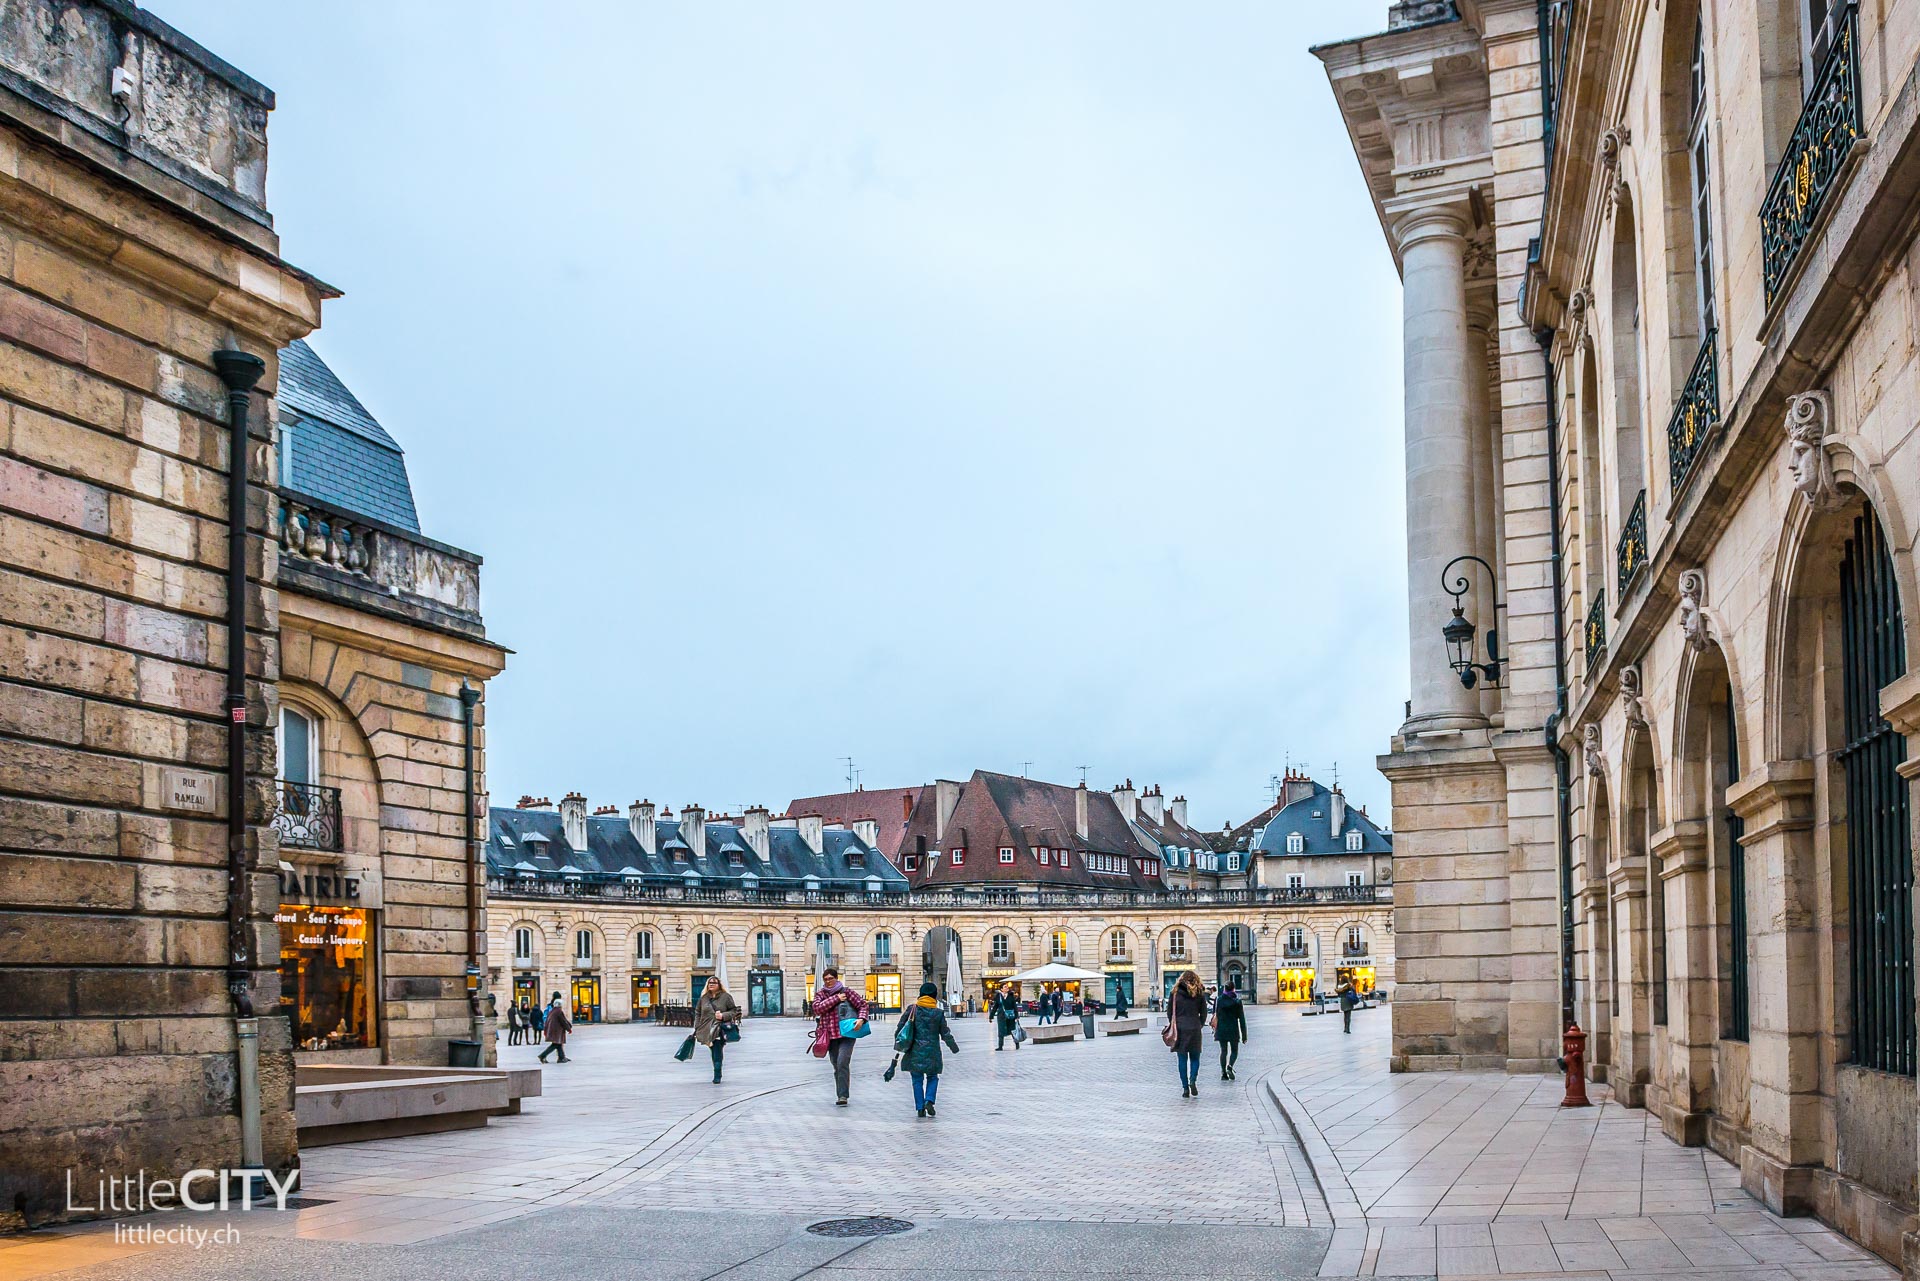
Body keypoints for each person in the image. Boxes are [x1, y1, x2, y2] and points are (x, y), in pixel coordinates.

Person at [896, 981, 961, 1118]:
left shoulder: (912, 1009)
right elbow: (945, 1033)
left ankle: (920, 1108)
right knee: (932, 1077)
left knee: (917, 1080)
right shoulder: (938, 1013)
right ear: (934, 996)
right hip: (932, 1051)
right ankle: (929, 1100)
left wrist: (901, 1042)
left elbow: (900, 1028)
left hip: (914, 1050)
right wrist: (954, 1047)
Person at [810, 967, 869, 1105]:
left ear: (836, 978)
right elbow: (818, 1008)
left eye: (830, 978)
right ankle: (840, 1093)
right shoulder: (821, 994)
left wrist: (861, 1019)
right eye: (825, 979)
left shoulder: (847, 992)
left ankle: (843, 1096)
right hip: (830, 1036)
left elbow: (863, 1005)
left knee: (843, 1062)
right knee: (836, 1065)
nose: (828, 981)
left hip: (847, 1034)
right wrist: (836, 998)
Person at [693, 975, 741, 1083]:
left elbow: (734, 1010)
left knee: (717, 1050)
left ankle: (717, 1074)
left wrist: (723, 1015)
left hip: (719, 1028)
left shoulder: (726, 997)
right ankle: (717, 1069)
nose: (711, 985)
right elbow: (697, 1013)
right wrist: (697, 1026)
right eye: (710, 983)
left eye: (714, 983)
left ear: (719, 985)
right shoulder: (704, 998)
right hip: (706, 1029)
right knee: (713, 1050)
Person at [1168, 970, 1207, 1097]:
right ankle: (1193, 1080)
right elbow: (1204, 1013)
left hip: (1180, 1029)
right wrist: (1199, 1024)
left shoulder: (1174, 993)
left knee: (1182, 1059)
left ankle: (1185, 1088)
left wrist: (1175, 1023)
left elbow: (1169, 1013)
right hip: (1195, 1028)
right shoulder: (1200, 993)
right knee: (1195, 1057)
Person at [1213, 981, 1248, 1080]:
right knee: (1234, 1051)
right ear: (1233, 989)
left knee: (1223, 1051)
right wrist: (1244, 1036)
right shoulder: (1237, 1001)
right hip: (1233, 1029)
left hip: (1222, 1028)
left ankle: (1223, 1073)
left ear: (1224, 989)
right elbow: (1241, 1019)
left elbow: (1217, 1014)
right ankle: (1230, 1066)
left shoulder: (1219, 1000)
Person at [537, 992, 571, 1063]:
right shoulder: (559, 1011)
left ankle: (561, 1058)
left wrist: (546, 1028)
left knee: (558, 1044)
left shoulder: (552, 1010)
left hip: (552, 1029)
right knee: (555, 1044)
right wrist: (569, 1028)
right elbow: (563, 1021)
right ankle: (542, 1055)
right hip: (556, 1030)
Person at [992, 985, 1021, 1050]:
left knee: (1012, 1030)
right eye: (1005, 987)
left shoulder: (1011, 996)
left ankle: (1017, 1044)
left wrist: (1017, 1016)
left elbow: (1014, 1006)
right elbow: (995, 1006)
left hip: (1010, 1016)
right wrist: (991, 1016)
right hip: (1001, 1016)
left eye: (1007, 987)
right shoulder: (998, 996)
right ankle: (1000, 1046)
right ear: (1001, 989)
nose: (1007, 988)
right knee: (1001, 1031)